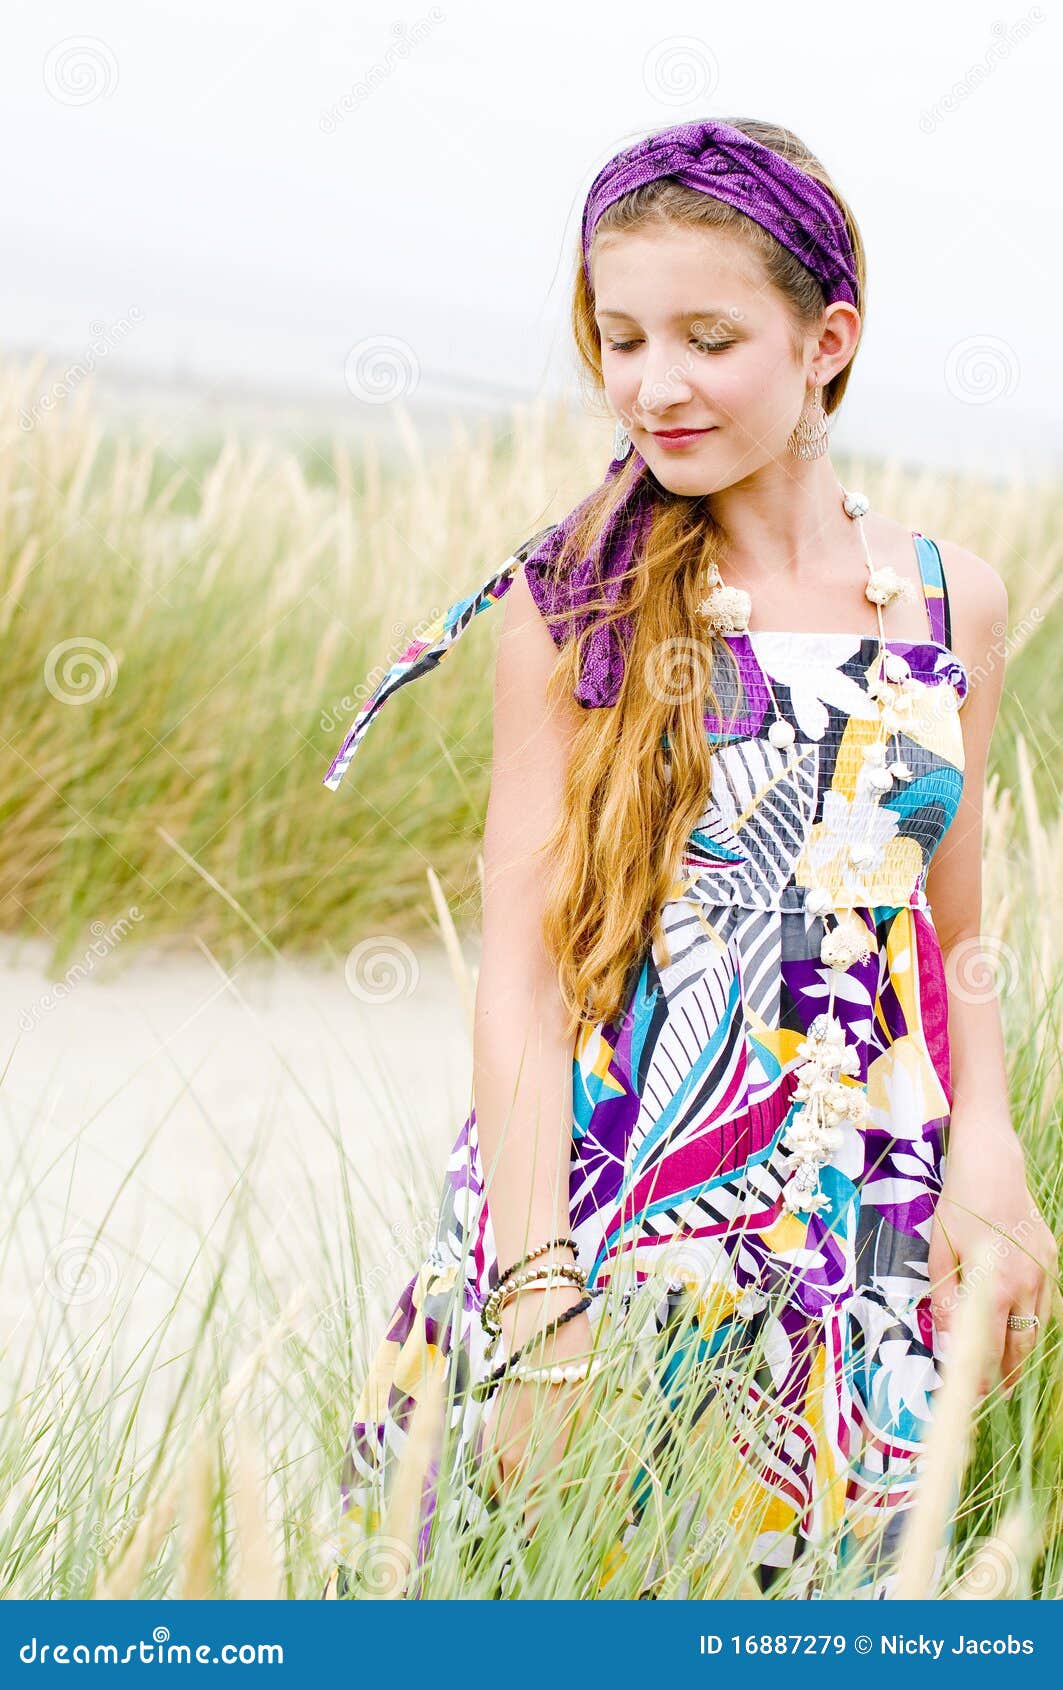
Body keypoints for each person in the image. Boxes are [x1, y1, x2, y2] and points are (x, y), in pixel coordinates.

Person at [320, 117, 1056, 1600]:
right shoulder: (572, 602)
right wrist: (536, 1299)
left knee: (821, 1602)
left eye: (708, 338)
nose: (654, 383)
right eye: (621, 337)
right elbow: (523, 975)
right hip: (607, 1201)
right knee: (544, 1599)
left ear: (826, 341)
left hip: (866, 1205)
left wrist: (990, 1142)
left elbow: (952, 922)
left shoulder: (948, 601)